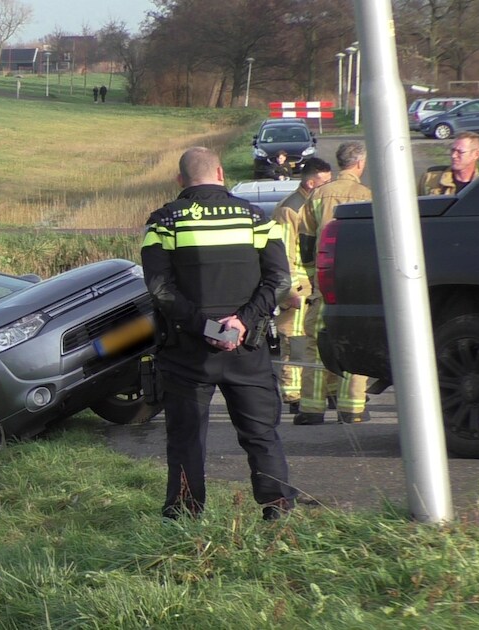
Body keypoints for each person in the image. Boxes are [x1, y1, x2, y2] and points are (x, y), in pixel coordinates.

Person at [141, 146, 297, 521]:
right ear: (221, 173)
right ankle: (277, 509)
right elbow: (279, 280)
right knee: (260, 433)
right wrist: (242, 321)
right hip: (247, 347)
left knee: (186, 437)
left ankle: (184, 515)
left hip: (187, 351)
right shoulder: (256, 218)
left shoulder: (164, 222)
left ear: (180, 180)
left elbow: (160, 290)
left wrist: (206, 327)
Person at [296, 141, 372, 425]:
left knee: (316, 343)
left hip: (324, 282)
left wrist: (311, 277)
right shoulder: (368, 196)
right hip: (358, 282)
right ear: (360, 163)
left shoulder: (317, 196)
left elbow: (305, 242)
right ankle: (352, 409)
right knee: (355, 341)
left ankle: (311, 409)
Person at [271, 157, 332, 416]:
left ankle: (324, 391)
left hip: (315, 287)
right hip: (299, 289)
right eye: (325, 182)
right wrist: (291, 291)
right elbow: (284, 255)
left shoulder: (314, 206)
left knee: (317, 342)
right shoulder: (290, 209)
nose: (329, 187)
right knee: (295, 343)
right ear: (311, 183)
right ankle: (294, 395)